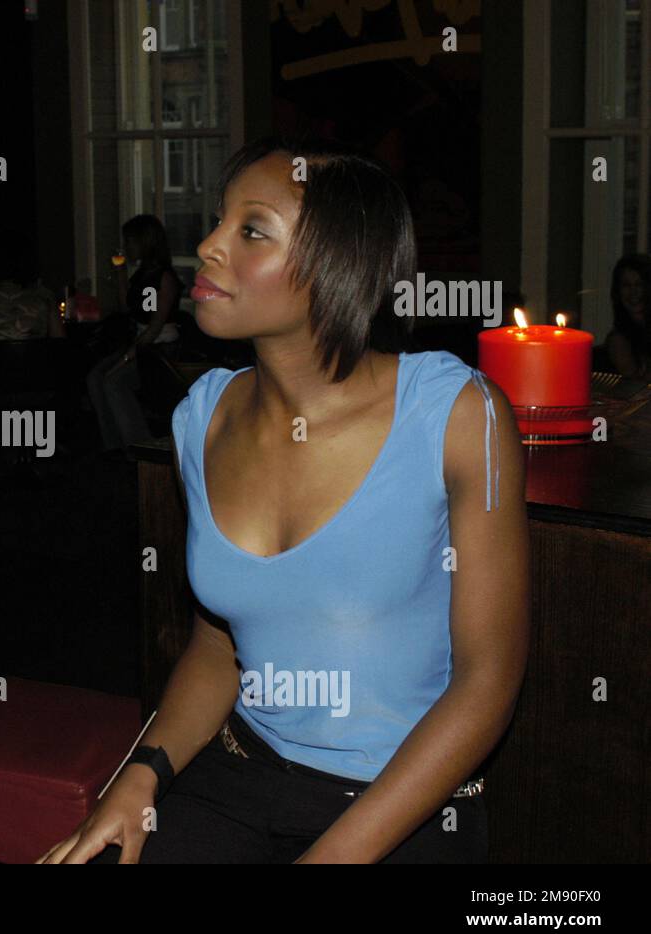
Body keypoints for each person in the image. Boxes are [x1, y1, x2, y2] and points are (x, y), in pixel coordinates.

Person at [40, 135, 529, 864]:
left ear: (336, 264)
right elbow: (220, 648)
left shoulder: (457, 413)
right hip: (240, 776)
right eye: (216, 221)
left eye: (250, 230)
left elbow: (488, 680)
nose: (205, 246)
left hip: (407, 805)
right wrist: (136, 778)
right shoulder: (200, 418)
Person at [86, 214, 183, 453]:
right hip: (141, 343)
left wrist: (128, 357)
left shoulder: (164, 277)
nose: (127, 246)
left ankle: (140, 448)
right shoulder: (142, 275)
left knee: (114, 381)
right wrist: (120, 273)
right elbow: (128, 308)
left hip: (159, 349)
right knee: (95, 377)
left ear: (144, 242)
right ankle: (114, 447)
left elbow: (155, 326)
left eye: (130, 240)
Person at [605, 253, 651, 381]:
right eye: (626, 285)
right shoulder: (618, 341)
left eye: (639, 284)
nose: (633, 292)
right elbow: (636, 386)